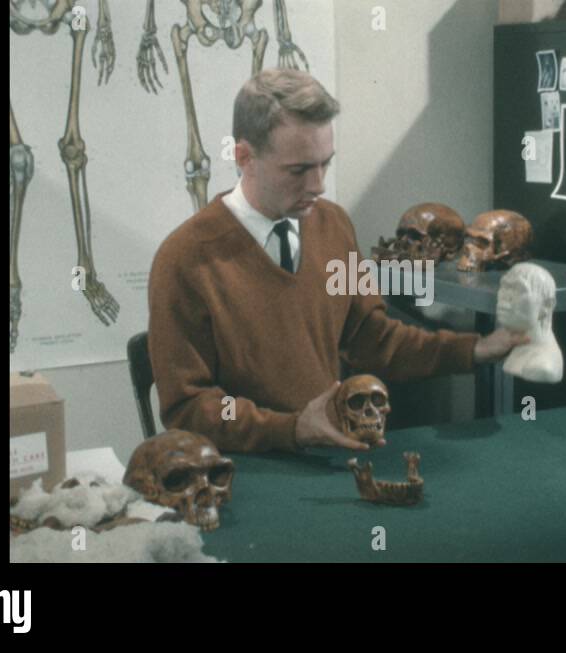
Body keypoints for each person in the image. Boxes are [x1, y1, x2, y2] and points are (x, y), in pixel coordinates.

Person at [148, 69, 527, 454]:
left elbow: (373, 341)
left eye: (324, 164)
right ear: (244, 157)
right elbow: (192, 406)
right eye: (298, 170)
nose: (318, 185)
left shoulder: (332, 227)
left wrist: (476, 349)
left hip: (331, 459)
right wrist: (290, 428)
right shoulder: (185, 260)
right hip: (244, 472)